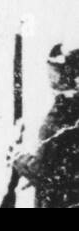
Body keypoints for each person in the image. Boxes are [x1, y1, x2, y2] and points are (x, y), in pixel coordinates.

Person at [11, 42, 79, 208]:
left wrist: (24, 164)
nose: (51, 79)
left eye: (55, 73)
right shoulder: (64, 109)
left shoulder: (66, 114)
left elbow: (53, 174)